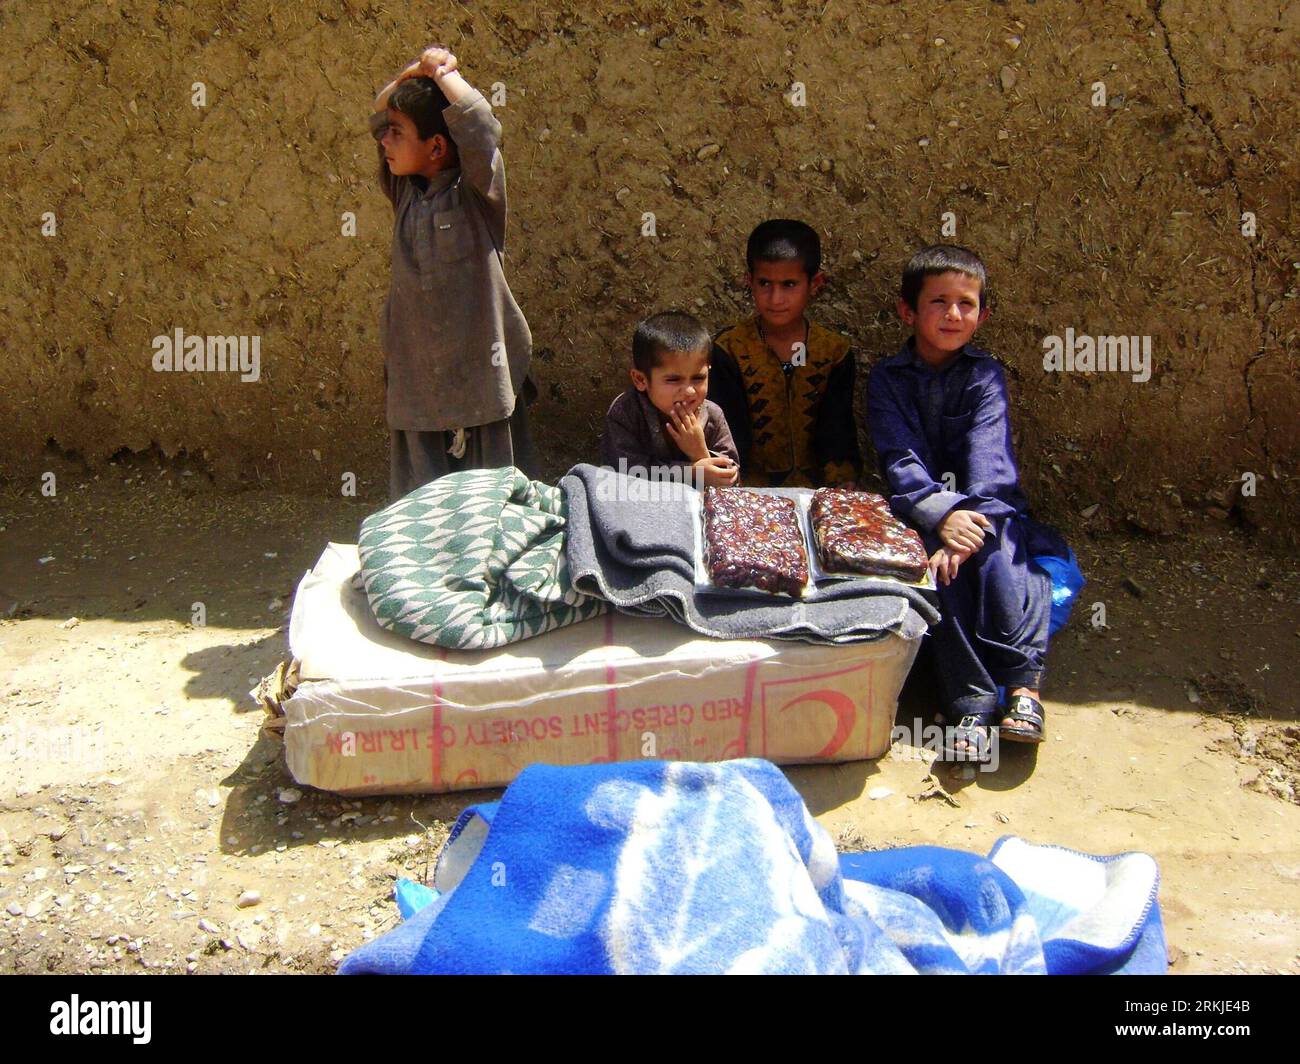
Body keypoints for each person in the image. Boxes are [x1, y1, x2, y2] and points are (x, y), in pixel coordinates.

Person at [866, 244, 1070, 761]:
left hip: (988, 509)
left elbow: (990, 461)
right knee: (939, 574)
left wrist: (969, 524)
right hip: (920, 511)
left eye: (967, 303)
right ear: (907, 311)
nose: (954, 314)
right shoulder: (888, 380)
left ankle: (1024, 686)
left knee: (1003, 556)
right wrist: (941, 517)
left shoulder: (985, 377)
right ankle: (971, 703)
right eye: (939, 302)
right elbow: (900, 460)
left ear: (983, 314)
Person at [370, 46, 537, 501]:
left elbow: (481, 128)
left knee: (495, 503)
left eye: (397, 133)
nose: (384, 141)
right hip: (418, 384)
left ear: (437, 147)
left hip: (483, 379)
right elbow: (376, 116)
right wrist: (411, 76)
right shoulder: (404, 192)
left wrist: (444, 74)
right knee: (423, 507)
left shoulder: (477, 195)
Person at [709, 219, 861, 488]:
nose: (775, 298)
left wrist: (841, 490)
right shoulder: (729, 349)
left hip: (816, 492)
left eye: (789, 284)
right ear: (749, 281)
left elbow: (837, 433)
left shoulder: (834, 352)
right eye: (764, 283)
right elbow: (728, 435)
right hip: (747, 490)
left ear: (815, 283)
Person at [601, 311, 740, 488]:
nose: (690, 391)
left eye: (698, 378)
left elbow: (732, 480)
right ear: (641, 380)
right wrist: (691, 471)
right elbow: (623, 476)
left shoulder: (712, 415)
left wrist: (700, 453)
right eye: (673, 380)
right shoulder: (626, 412)